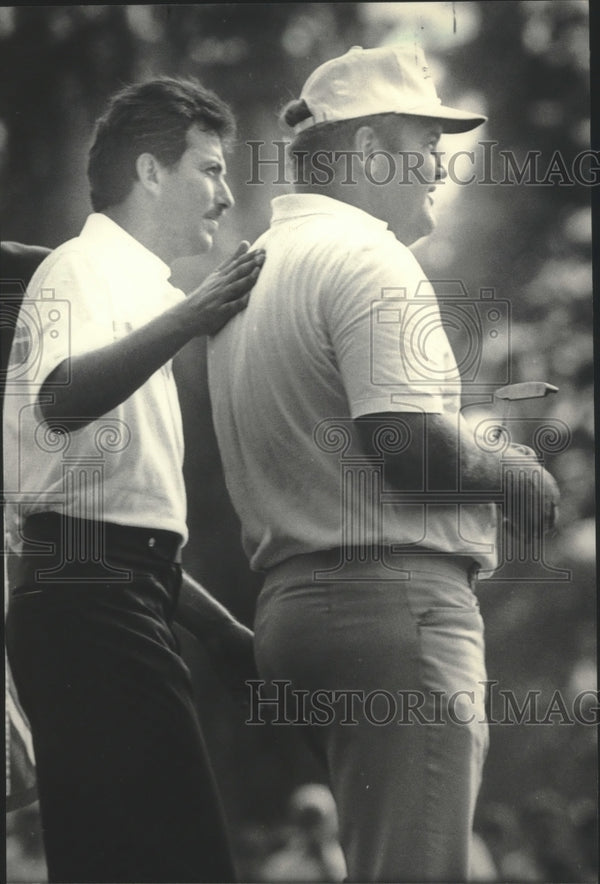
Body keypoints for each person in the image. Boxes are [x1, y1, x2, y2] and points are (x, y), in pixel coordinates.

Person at [207, 45, 560, 882]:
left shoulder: (250, 270)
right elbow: (404, 447)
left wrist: (468, 436)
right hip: (394, 609)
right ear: (366, 151)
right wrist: (513, 472)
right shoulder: (371, 258)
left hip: (296, 609)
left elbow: (353, 436)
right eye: (423, 142)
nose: (440, 164)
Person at [4, 76, 265, 884]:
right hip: (90, 612)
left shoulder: (138, 289)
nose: (225, 194)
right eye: (210, 169)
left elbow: (117, 518)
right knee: (184, 862)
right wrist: (188, 319)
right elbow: (58, 400)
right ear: (150, 172)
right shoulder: (78, 270)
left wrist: (220, 632)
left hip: (118, 599)